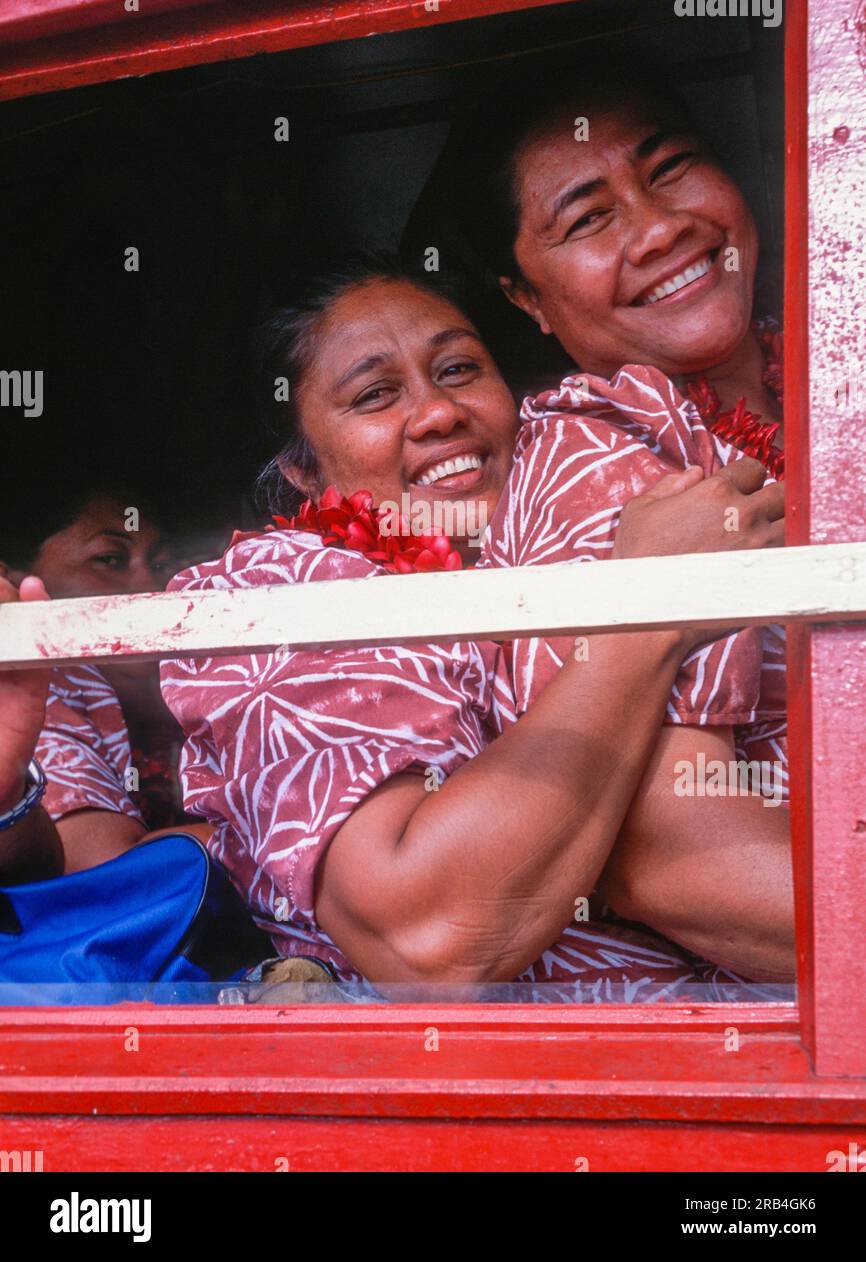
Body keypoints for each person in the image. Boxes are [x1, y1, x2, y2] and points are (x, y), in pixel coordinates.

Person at [160, 254, 793, 1000]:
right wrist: (646, 608)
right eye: (374, 396)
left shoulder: (559, 513)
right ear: (303, 470)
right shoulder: (277, 590)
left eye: (459, 370)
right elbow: (430, 941)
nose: (438, 413)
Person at [455, 51, 789, 951]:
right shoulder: (593, 450)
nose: (657, 229)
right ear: (527, 299)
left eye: (671, 167)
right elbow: (677, 856)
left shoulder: (821, 357)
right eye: (588, 219)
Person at [0, 480, 209, 882]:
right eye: (110, 560)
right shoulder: (40, 686)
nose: (148, 588)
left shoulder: (164, 700)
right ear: (14, 582)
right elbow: (109, 870)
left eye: (161, 564)